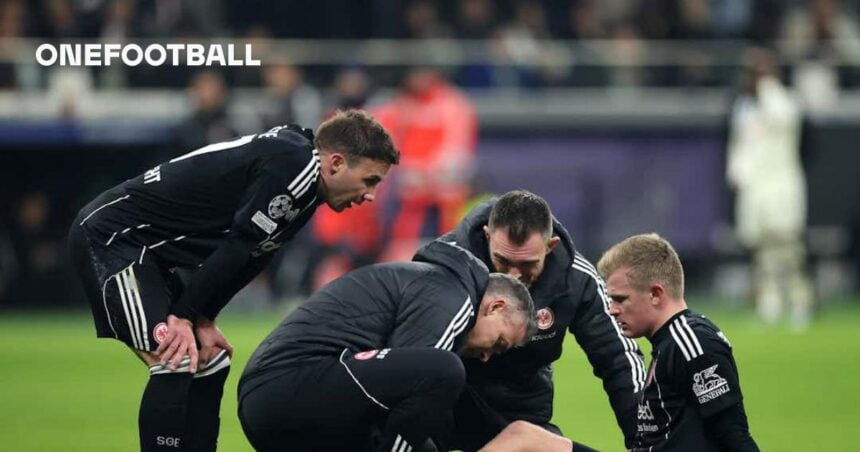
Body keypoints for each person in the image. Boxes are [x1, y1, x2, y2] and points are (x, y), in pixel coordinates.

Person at [67, 110, 398, 451]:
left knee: (211, 361)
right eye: (370, 180)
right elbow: (239, 245)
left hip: (150, 256)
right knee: (175, 358)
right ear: (336, 163)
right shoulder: (294, 166)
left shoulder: (306, 181)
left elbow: (257, 251)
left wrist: (204, 316)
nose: (370, 195)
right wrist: (184, 316)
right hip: (112, 240)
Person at [237, 240, 537, 452]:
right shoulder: (451, 295)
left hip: (278, 402)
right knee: (445, 370)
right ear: (495, 307)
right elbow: (424, 383)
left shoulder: (431, 283)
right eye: (498, 343)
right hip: (290, 383)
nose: (487, 356)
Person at [420, 190, 646, 451]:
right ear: (487, 236)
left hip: (521, 408)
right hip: (445, 404)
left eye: (527, 265)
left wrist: (644, 441)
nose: (514, 276)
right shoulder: (444, 265)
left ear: (551, 247)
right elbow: (414, 354)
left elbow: (618, 359)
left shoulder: (577, 278)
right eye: (502, 261)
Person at [597, 233, 759, 451]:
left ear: (655, 294)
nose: (612, 310)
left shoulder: (693, 343)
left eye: (620, 299)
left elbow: (733, 434)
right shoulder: (668, 342)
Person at [727, 46, 814, 327]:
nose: (754, 79)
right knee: (762, 249)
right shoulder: (743, 107)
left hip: (782, 182)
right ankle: (770, 303)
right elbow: (741, 146)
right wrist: (737, 172)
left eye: (759, 73)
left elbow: (784, 119)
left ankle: (800, 301)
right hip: (756, 188)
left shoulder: (784, 101)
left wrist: (768, 86)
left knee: (788, 245)